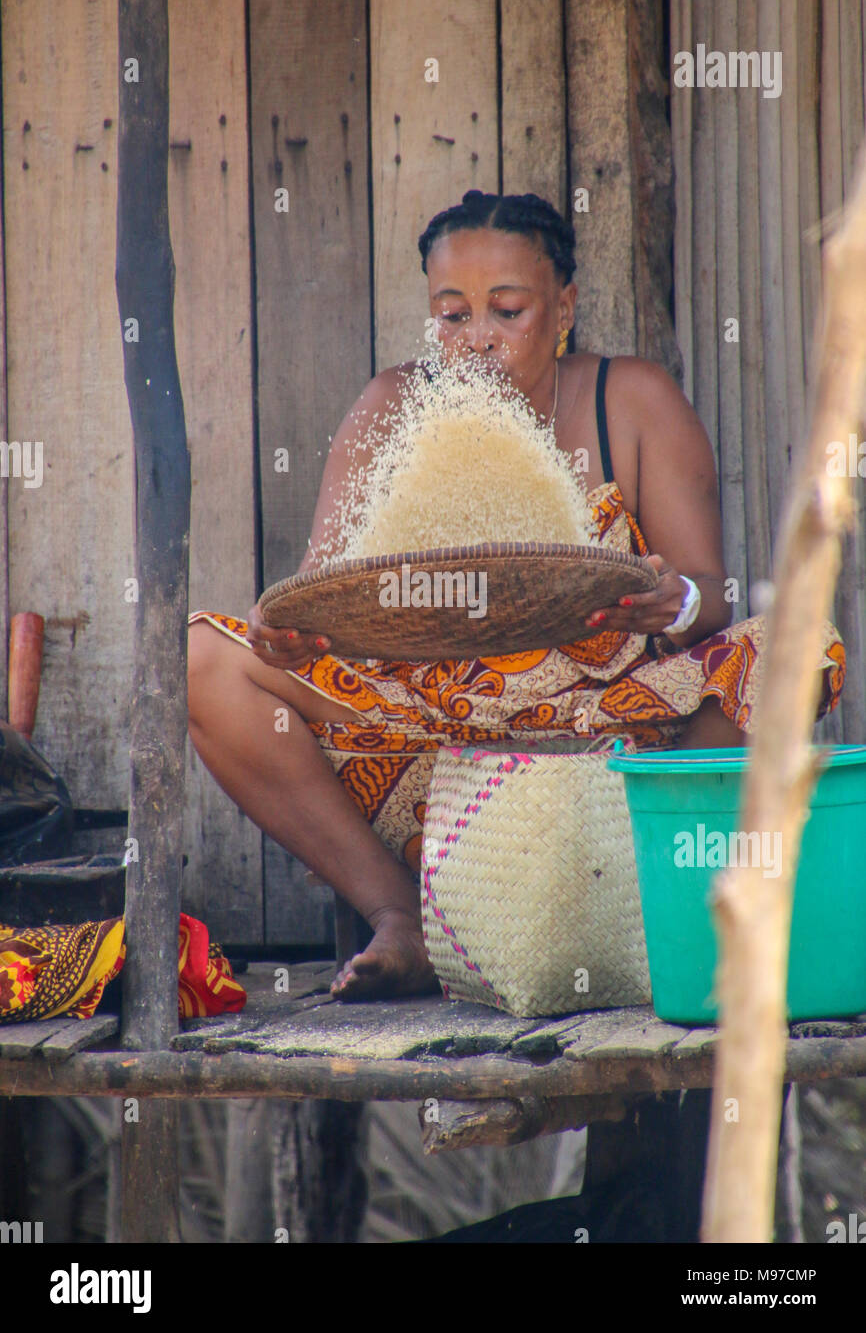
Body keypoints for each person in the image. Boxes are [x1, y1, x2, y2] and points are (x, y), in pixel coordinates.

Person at [188, 190, 845, 1003]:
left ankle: (655, 898)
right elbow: (318, 593)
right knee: (205, 658)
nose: (478, 341)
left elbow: (711, 596)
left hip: (606, 755)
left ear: (563, 306)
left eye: (507, 311)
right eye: (453, 315)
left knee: (793, 648)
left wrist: (670, 602)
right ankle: (401, 919)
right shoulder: (392, 408)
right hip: (429, 751)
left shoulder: (630, 402)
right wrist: (286, 634)